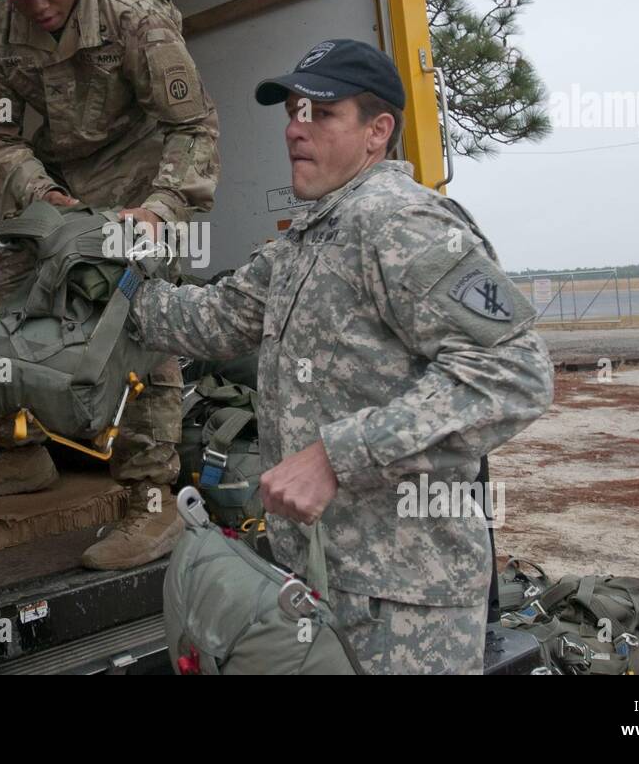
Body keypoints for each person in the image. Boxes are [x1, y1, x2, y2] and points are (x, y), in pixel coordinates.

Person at [128, 39, 555, 673]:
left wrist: (337, 455)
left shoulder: (401, 223)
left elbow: (514, 374)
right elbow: (214, 321)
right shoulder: (311, 237)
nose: (296, 129)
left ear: (377, 132)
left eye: (321, 115)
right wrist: (114, 272)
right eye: (293, 111)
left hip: (406, 600)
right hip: (320, 579)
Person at [0, 0, 221, 570]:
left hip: (140, 167)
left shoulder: (136, 13)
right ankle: (20, 449)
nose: (37, 5)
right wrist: (38, 192)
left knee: (140, 319)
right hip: (53, 177)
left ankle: (149, 501)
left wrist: (161, 211)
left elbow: (192, 126)